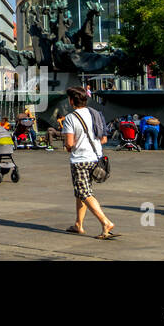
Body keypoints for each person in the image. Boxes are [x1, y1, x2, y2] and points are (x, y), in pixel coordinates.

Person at [62, 86, 117, 239]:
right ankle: (78, 224)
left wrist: (66, 145)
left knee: (84, 192)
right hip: (96, 158)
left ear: (72, 100)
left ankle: (105, 222)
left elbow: (70, 144)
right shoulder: (95, 114)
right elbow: (104, 139)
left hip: (80, 160)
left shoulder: (70, 118)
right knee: (81, 192)